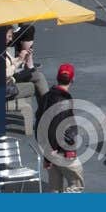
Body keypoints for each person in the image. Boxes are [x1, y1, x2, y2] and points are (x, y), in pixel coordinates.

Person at [39, 62, 83, 192]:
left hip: (50, 150)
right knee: (76, 186)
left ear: (57, 78)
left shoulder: (46, 97)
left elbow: (40, 124)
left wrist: (46, 153)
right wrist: (52, 151)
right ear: (72, 79)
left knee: (55, 188)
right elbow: (54, 126)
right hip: (61, 150)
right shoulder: (63, 101)